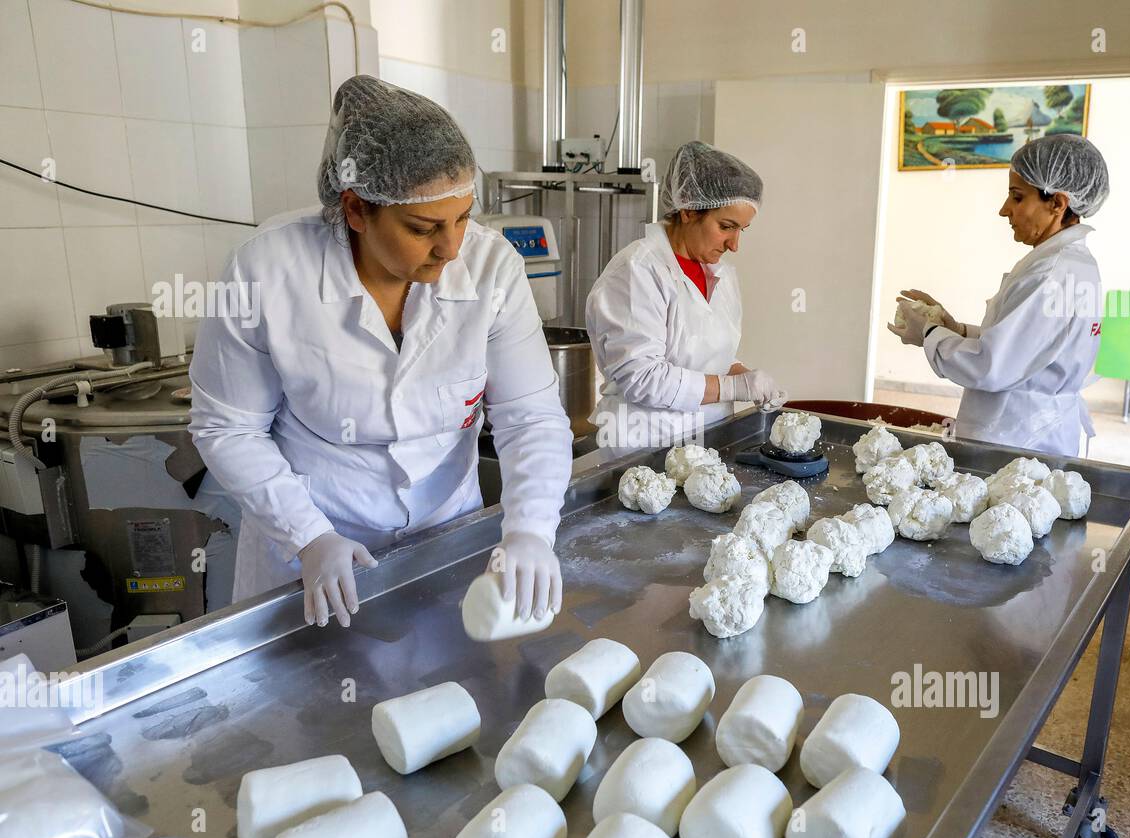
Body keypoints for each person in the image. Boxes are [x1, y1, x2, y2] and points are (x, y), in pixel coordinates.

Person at [188, 76, 572, 629]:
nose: (452, 247)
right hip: (312, 550)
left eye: (463, 217)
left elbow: (529, 416)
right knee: (310, 706)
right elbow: (228, 428)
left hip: (444, 538)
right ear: (355, 209)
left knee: (442, 695)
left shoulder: (493, 269)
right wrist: (309, 537)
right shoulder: (266, 270)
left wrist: (531, 529)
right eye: (424, 227)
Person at [890, 133, 1110, 457]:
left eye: (1017, 197)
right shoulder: (1072, 264)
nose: (1004, 210)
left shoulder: (1051, 275)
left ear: (1057, 204)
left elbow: (991, 366)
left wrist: (928, 333)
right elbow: (1028, 346)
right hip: (1033, 432)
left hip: (1017, 437)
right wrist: (955, 328)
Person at [585, 141, 784, 448]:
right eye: (726, 226)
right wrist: (733, 388)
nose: (734, 244)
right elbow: (642, 378)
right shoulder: (637, 271)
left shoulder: (721, 274)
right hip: (644, 447)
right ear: (689, 211)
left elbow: (707, 356)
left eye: (742, 229)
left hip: (709, 439)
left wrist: (748, 377)